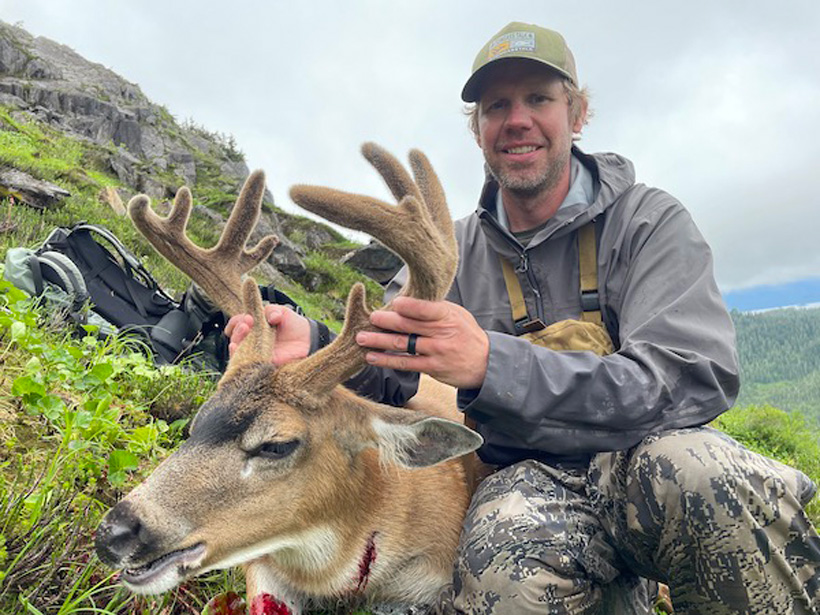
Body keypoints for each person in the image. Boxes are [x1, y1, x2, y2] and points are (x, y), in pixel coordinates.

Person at [227, 22, 820, 615]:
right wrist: (316, 344)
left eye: (538, 98)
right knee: (497, 563)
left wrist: (493, 364)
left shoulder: (647, 223)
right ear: (478, 130)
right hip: (527, 481)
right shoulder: (448, 252)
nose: (517, 120)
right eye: (497, 106)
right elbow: (391, 367)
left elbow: (692, 377)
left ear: (577, 113)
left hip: (643, 461)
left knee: (707, 477)